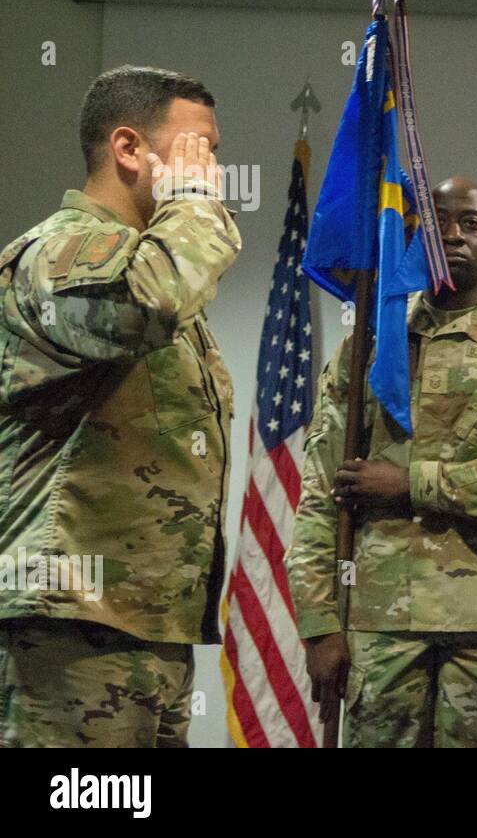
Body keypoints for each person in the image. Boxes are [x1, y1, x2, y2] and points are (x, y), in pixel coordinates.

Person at [288, 176, 477, 747]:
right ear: (417, 236)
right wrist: (319, 624)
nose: (453, 234)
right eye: (439, 222)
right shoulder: (370, 347)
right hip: (380, 618)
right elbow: (322, 490)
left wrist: (413, 485)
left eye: (471, 223)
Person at [0, 65, 241, 746]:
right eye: (198, 149)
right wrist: (194, 204)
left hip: (146, 627)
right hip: (67, 625)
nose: (213, 171)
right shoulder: (59, 252)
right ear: (130, 149)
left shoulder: (136, 261)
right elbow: (151, 301)